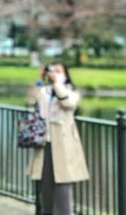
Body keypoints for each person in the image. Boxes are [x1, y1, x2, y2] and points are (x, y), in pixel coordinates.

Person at [26, 61, 89, 215]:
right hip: (44, 144)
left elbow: (67, 103)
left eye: (59, 71)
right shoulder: (44, 91)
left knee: (62, 189)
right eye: (53, 70)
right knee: (45, 189)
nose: (55, 73)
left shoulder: (71, 92)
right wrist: (40, 79)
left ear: (66, 75)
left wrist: (58, 83)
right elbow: (29, 100)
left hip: (64, 147)